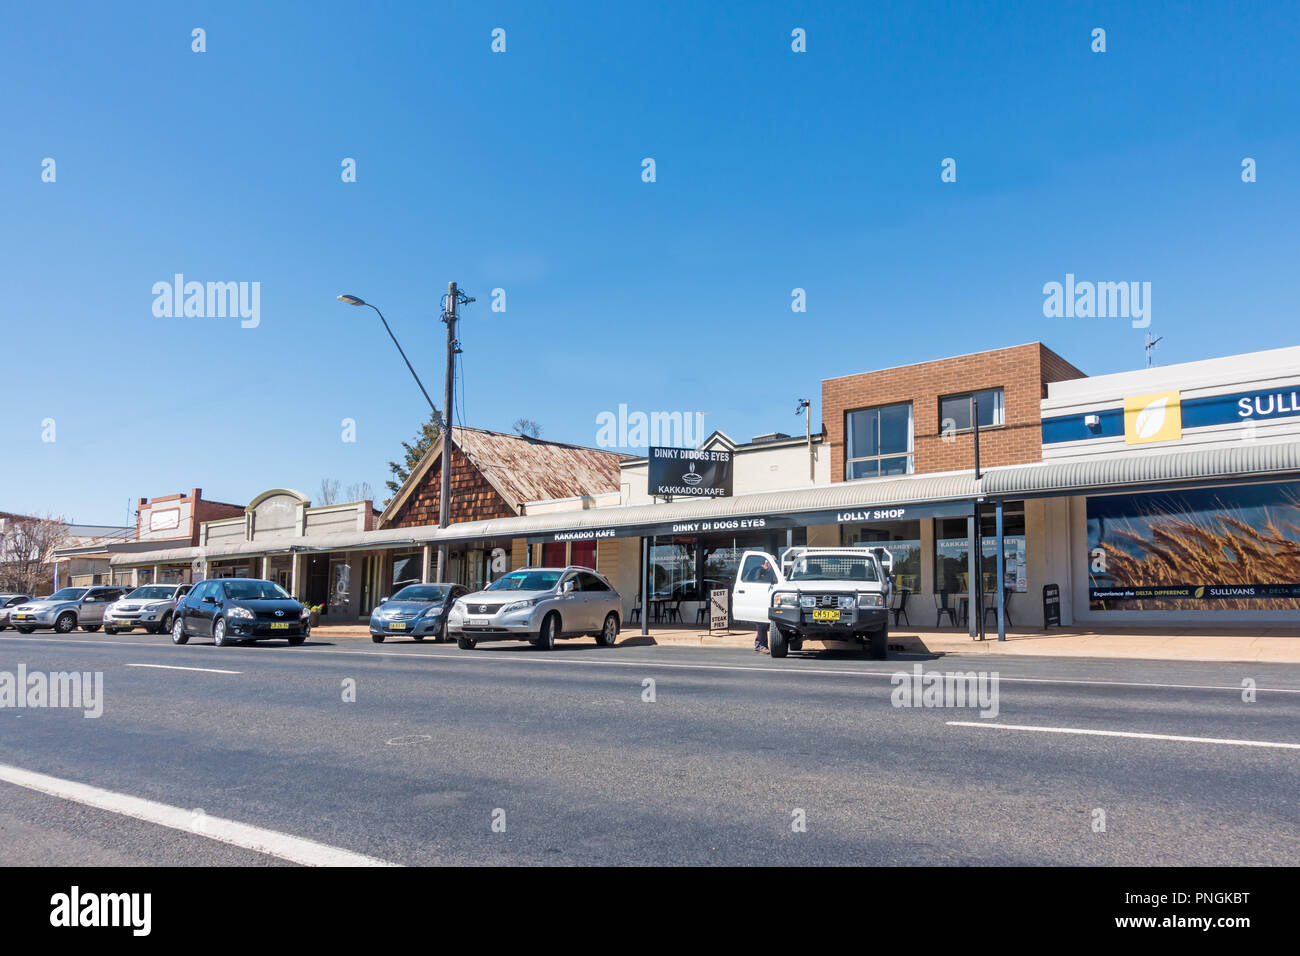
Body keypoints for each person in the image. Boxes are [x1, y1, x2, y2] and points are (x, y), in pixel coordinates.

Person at [751, 558, 775, 653]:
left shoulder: (772, 572)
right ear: (766, 563)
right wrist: (764, 570)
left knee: (764, 625)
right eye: (771, 562)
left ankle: (758, 645)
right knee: (762, 624)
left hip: (768, 601)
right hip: (760, 602)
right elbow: (758, 581)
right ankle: (761, 646)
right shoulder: (760, 571)